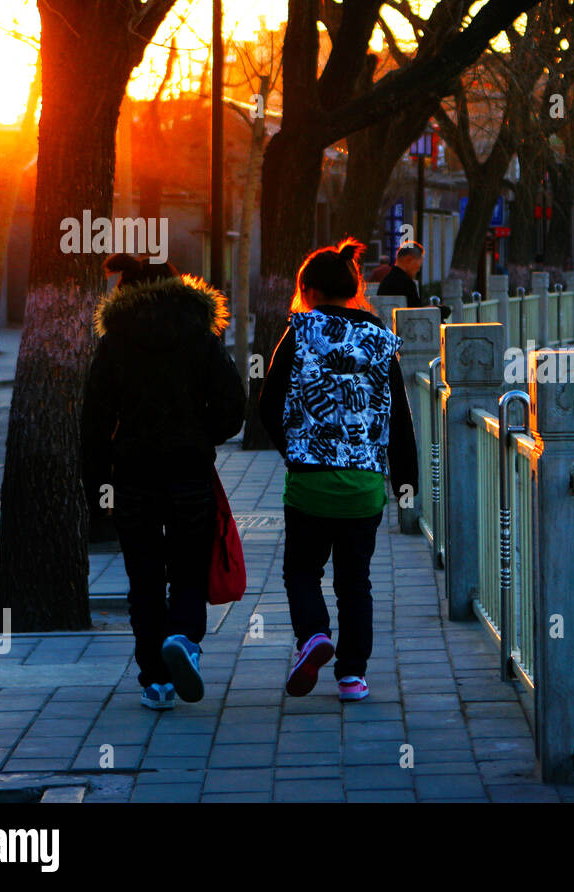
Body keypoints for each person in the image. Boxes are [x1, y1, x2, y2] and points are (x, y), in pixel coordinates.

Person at [82, 253, 245, 710]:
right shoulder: (201, 335)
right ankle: (185, 640)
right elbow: (233, 405)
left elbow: (94, 421)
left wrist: (98, 491)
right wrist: (199, 437)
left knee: (145, 580)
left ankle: (155, 682)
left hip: (132, 477)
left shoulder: (115, 342)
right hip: (189, 475)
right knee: (190, 570)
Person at [258, 239, 418, 702]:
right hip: (365, 485)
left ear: (305, 290)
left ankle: (312, 636)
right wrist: (405, 483)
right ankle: (352, 676)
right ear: (353, 288)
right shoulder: (379, 338)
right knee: (356, 582)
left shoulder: (300, 332)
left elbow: (268, 403)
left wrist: (294, 451)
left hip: (309, 481)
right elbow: (399, 419)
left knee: (302, 570)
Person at [375, 240, 424, 306]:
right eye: (417, 267)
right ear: (409, 259)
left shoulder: (386, 281)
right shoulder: (408, 284)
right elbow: (417, 313)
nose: (418, 271)